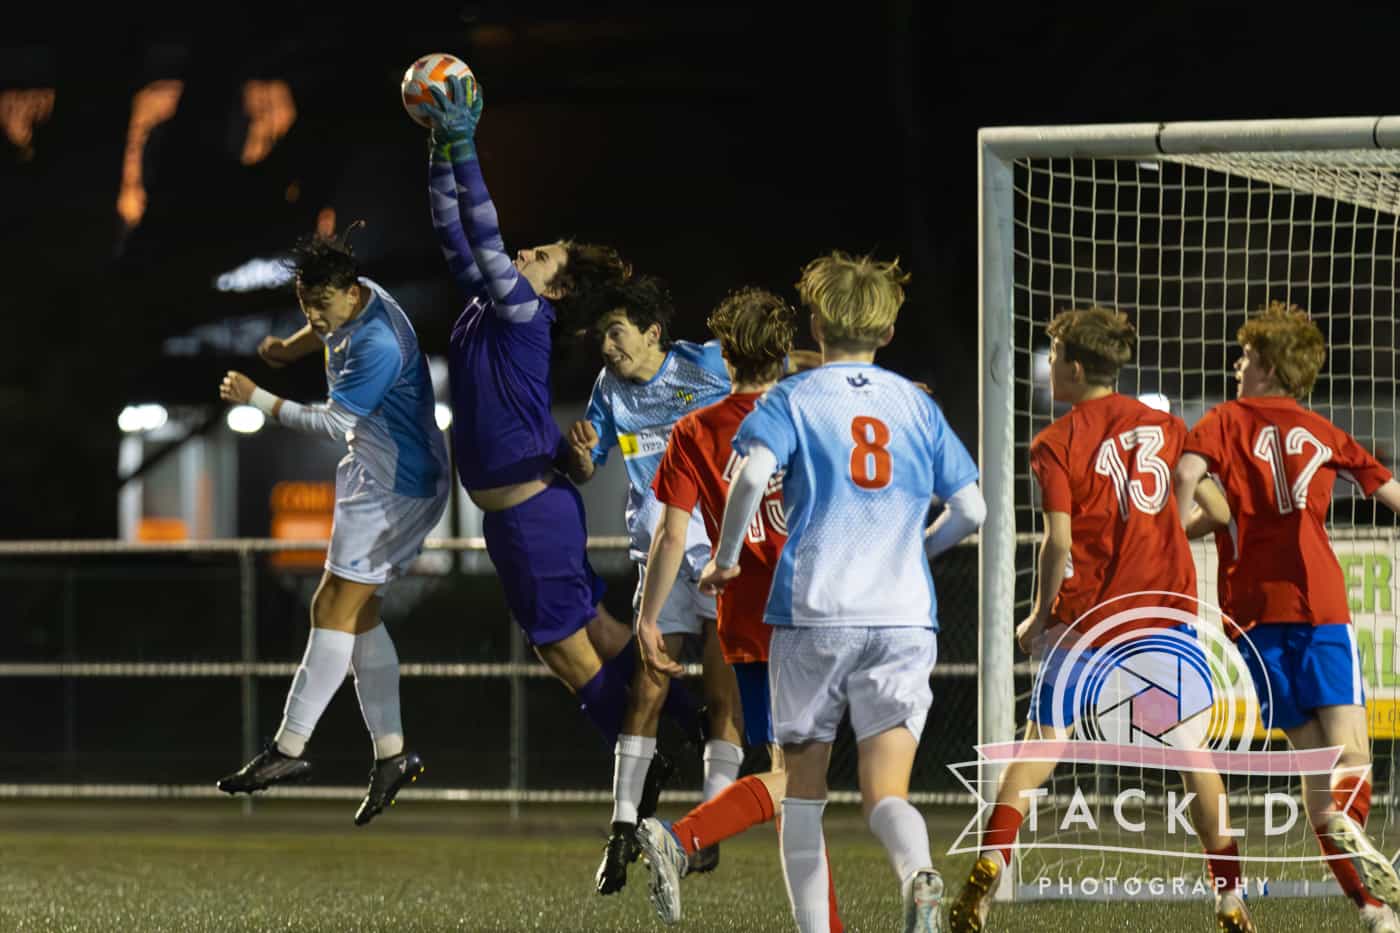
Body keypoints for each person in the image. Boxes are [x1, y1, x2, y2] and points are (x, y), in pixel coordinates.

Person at [695, 252, 985, 933]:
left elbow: (749, 476)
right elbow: (972, 508)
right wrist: (919, 547)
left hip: (814, 613)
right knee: (887, 792)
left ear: (815, 322)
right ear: (887, 333)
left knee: (802, 795)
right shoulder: (916, 402)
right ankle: (918, 873)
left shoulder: (792, 397)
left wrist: (727, 560)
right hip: (904, 618)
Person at [946, 307, 1252, 932]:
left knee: (1037, 751)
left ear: (1077, 367)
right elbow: (1218, 510)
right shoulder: (1166, 426)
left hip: (1086, 622)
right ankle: (1230, 895)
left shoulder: (1055, 442)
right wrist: (1170, 528)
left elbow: (1056, 541)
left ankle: (987, 871)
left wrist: (1035, 618)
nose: (1050, 364)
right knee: (1194, 757)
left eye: (1055, 354)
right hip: (1159, 616)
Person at [416, 73, 673, 765]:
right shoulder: (490, 305)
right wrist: (441, 149)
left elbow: (487, 231)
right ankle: (684, 724)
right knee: (601, 632)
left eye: (544, 257)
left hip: (532, 514)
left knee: (566, 652)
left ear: (557, 288)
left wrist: (467, 145)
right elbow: (451, 226)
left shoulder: (528, 311)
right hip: (527, 513)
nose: (526, 252)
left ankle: (647, 767)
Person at [615, 286, 841, 929]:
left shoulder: (694, 430)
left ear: (724, 354)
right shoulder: (808, 417)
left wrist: (650, 616)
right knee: (800, 781)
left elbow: (669, 534)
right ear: (784, 353)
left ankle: (820, 924)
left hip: (742, 621)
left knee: (794, 780)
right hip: (805, 616)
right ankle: (682, 837)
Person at [1175, 302, 1400, 933]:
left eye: (1245, 356)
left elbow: (1187, 475)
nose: (1237, 364)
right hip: (1320, 603)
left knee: (1311, 765)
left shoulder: (1220, 421)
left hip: (1249, 615)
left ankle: (1373, 910)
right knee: (1352, 755)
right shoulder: (1323, 430)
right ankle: (1349, 837)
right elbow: (1387, 493)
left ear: (1267, 365)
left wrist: (1170, 530)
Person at [215, 228, 448, 826]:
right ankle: (393, 755)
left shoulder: (378, 344)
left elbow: (330, 422)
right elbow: (322, 329)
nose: (314, 317)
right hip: (376, 475)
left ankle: (288, 749)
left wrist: (257, 397)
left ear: (349, 294)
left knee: (332, 607)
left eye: (322, 306)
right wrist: (292, 349)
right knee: (356, 614)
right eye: (305, 305)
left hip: (398, 485)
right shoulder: (355, 296)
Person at [564, 274, 745, 893]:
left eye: (616, 334)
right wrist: (583, 458)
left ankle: (709, 832)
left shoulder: (707, 363)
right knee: (647, 694)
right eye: (601, 337)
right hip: (661, 560)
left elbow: (776, 363)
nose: (607, 346)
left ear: (652, 335)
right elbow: (591, 467)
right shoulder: (607, 392)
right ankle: (620, 832)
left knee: (725, 702)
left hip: (724, 558)